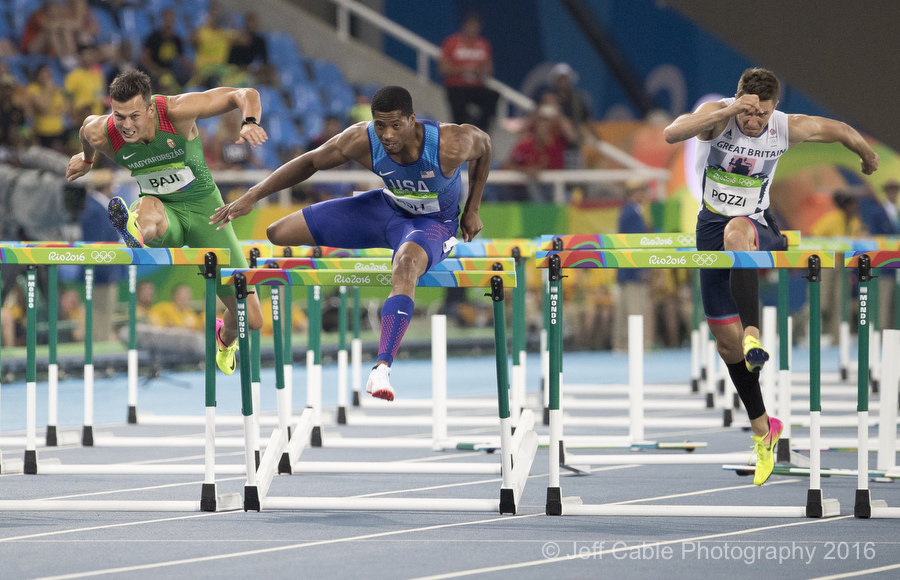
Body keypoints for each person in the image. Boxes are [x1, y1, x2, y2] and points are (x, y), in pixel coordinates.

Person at [663, 67, 879, 486]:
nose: (753, 121)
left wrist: (867, 156)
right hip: (709, 230)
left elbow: (840, 129)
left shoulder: (785, 127)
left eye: (761, 114)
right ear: (739, 98)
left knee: (738, 230)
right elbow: (673, 133)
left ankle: (753, 332)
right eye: (748, 112)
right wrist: (725, 112)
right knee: (726, 347)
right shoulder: (720, 116)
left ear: (774, 108)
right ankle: (763, 428)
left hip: (759, 228)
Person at [210, 85, 491, 401]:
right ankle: (228, 332)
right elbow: (310, 162)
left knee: (406, 264)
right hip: (384, 211)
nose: (386, 135)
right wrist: (253, 195)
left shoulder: (450, 143)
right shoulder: (362, 139)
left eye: (396, 125)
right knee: (278, 233)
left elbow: (486, 148)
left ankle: (381, 368)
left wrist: (473, 209)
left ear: (412, 120)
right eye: (380, 125)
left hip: (433, 225)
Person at [64, 69, 267, 375]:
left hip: (206, 213)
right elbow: (85, 132)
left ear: (149, 108)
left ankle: (224, 337)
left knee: (251, 319)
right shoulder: (101, 131)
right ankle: (133, 231)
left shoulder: (177, 111)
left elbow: (245, 94)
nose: (127, 125)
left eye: (134, 116)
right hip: (162, 212)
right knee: (148, 207)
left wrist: (249, 121)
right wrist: (87, 159)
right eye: (120, 116)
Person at [79, 167, 127, 342]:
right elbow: (95, 246)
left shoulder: (100, 207)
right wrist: (105, 272)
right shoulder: (93, 210)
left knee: (105, 315)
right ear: (107, 187)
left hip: (107, 270)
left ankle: (101, 349)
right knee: (99, 314)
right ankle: (98, 354)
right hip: (101, 273)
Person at [612, 179, 654, 350]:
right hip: (633, 270)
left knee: (624, 310)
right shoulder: (632, 214)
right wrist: (643, 268)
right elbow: (635, 244)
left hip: (626, 269)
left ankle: (621, 345)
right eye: (640, 191)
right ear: (633, 193)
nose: (643, 194)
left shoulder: (629, 212)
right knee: (635, 309)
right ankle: (637, 345)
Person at [438, 12, 498, 132]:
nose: (473, 30)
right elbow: (443, 69)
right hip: (456, 86)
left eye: (476, 27)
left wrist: (480, 70)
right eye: (470, 26)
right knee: (458, 113)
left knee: (493, 96)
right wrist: (463, 69)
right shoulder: (451, 42)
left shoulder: (483, 44)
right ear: (464, 26)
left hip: (476, 86)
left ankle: (480, 127)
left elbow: (490, 69)